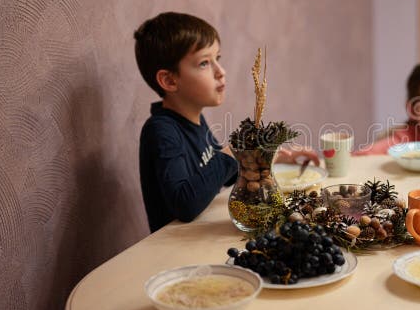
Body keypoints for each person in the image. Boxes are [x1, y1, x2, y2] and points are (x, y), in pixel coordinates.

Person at [135, 12, 316, 232]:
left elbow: (224, 178)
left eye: (217, 59)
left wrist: (270, 156)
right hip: (175, 249)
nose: (221, 72)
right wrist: (232, 154)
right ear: (169, 80)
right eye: (204, 63)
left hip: (197, 239)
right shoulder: (161, 130)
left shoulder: (195, 120)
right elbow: (185, 205)